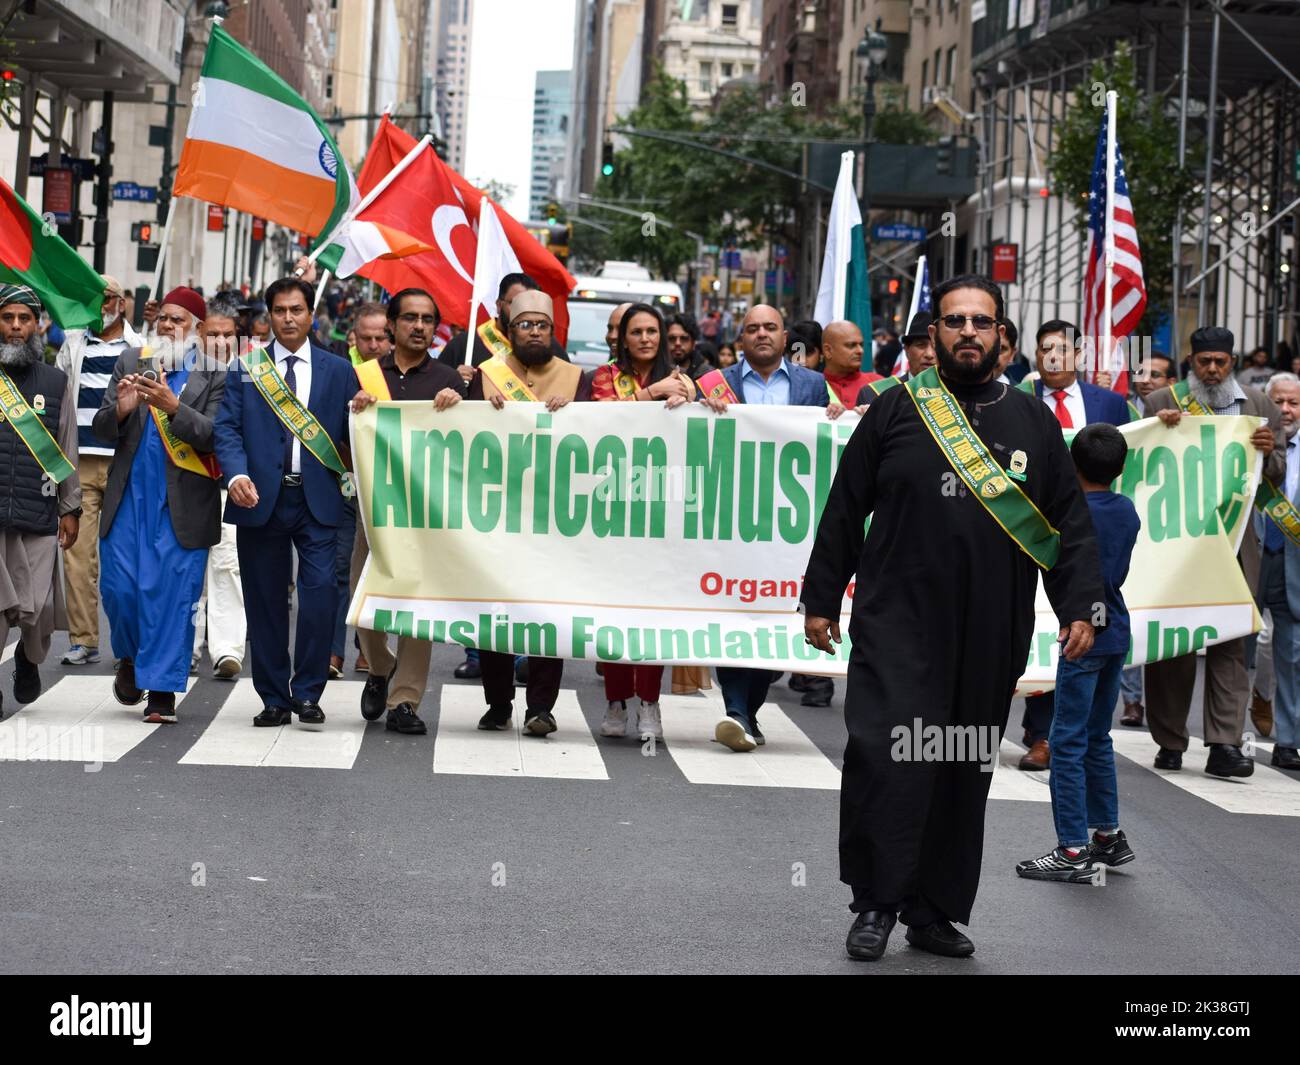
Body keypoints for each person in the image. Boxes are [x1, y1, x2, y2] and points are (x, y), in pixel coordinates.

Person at [801, 274, 1102, 961]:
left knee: (960, 765)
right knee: (887, 757)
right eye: (955, 320)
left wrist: (1081, 602)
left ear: (1002, 337)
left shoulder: (1033, 422)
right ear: (933, 334)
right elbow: (846, 505)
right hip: (897, 623)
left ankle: (933, 910)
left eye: (981, 322)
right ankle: (876, 900)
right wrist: (821, 597)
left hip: (990, 630)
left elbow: (1068, 522)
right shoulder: (896, 409)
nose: (968, 331)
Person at [213, 276, 360, 730]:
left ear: (311, 314)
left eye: (297, 310)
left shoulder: (338, 370)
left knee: (319, 597)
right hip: (261, 498)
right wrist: (236, 473)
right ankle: (274, 696)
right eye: (280, 311)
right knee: (265, 601)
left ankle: (309, 691)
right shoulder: (247, 368)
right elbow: (227, 428)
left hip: (318, 499)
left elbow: (354, 430)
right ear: (268, 316)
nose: (289, 318)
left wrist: (364, 411)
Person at [700, 304, 847, 751]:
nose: (761, 334)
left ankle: (749, 711)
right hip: (731, 521)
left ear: (786, 338)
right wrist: (696, 409)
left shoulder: (813, 385)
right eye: (751, 329)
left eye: (770, 327)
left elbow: (830, 443)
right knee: (731, 615)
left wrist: (841, 417)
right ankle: (735, 710)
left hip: (788, 528)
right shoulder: (715, 383)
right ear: (740, 338)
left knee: (773, 619)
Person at [1143, 326, 1283, 777]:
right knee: (1174, 646)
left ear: (1232, 361)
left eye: (1221, 361)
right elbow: (1142, 463)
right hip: (1179, 544)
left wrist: (1269, 453)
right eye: (1205, 361)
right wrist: (1161, 433)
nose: (1213, 369)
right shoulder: (1162, 401)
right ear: (1191, 360)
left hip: (1235, 545)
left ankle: (1224, 743)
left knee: (1230, 642)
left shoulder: (1258, 407)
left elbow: (1276, 471)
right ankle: (1169, 740)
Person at [95, 287, 225, 724]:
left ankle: (163, 691)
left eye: (179, 320)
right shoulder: (133, 362)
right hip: (130, 497)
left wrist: (173, 408)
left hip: (182, 504)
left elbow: (216, 436)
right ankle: (130, 658)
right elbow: (100, 428)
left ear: (199, 330)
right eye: (164, 318)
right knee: (119, 590)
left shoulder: (217, 372)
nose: (168, 326)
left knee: (171, 596)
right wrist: (121, 410)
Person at [1017, 424, 1140, 881]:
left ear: (1072, 463)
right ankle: (1107, 835)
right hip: (1116, 630)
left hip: (1082, 634)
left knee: (1066, 742)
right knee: (1096, 737)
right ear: (1121, 468)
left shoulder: (1069, 515)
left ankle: (1072, 849)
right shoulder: (1126, 511)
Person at [469, 290, 589, 736]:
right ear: (510, 330)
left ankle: (541, 706)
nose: (534, 332)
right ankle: (498, 703)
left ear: (551, 332)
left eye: (541, 326)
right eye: (525, 325)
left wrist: (574, 413)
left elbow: (596, 439)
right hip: (495, 512)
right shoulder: (485, 375)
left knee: (546, 611)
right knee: (494, 610)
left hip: (552, 515)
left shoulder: (576, 377)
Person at [349, 289, 466, 735]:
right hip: (375, 510)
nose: (420, 326)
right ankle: (380, 665)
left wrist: (460, 407)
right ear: (392, 325)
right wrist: (356, 409)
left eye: (428, 319)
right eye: (411, 318)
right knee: (362, 599)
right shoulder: (361, 376)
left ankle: (405, 701)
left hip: (427, 514)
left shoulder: (450, 381)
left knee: (418, 606)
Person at [1016, 319, 1130, 770]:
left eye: (1061, 350)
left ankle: (1055, 736)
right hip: (1031, 533)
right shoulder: (1018, 402)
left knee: (1076, 629)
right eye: (1044, 350)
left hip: (1092, 538)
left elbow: (1134, 452)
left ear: (1079, 356)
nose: (1052, 358)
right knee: (1043, 626)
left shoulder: (1111, 404)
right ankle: (1041, 731)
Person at [588, 303, 695, 738]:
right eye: (638, 332)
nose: (647, 339)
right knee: (615, 608)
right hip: (614, 507)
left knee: (654, 611)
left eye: (654, 331)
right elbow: (599, 418)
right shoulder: (603, 377)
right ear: (624, 338)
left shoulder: (684, 379)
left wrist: (699, 405)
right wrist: (652, 396)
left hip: (664, 510)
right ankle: (616, 700)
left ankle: (650, 703)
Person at [0, 285, 81, 718]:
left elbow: (67, 446)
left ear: (38, 325)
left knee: (39, 609)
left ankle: (28, 660)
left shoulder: (55, 382)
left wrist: (71, 507)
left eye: (24, 319)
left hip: (38, 510)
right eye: (7, 318)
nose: (15, 327)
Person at [55, 275, 143, 667]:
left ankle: (132, 640)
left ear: (121, 303)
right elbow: (59, 397)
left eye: (107, 297)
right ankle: (83, 639)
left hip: (125, 462)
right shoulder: (72, 343)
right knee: (76, 553)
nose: (101, 304)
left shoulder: (141, 347)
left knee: (126, 558)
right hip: (80, 463)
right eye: (93, 297)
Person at [190, 299, 246, 681]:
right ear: (198, 335)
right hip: (189, 483)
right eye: (214, 334)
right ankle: (187, 645)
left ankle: (227, 650)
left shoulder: (252, 373)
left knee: (228, 566)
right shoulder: (181, 371)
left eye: (228, 335)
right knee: (191, 568)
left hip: (229, 484)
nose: (221, 341)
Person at [1253, 373, 1300, 769]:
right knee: (1236, 651)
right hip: (1251, 557)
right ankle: (1230, 738)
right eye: (1279, 402)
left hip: (1292, 563)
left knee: (1291, 654)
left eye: (1294, 403)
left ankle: (1289, 739)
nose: (1285, 410)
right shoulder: (1248, 440)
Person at [854, 312, 936, 410]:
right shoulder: (873, 394)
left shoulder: (957, 394)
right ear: (906, 350)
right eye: (921, 345)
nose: (929, 354)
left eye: (936, 346)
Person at [821, 320, 881, 407]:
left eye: (861, 345)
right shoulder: (811, 386)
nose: (860, 351)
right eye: (851, 345)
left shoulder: (878, 383)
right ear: (828, 350)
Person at [995, 319, 1021, 384]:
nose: (993, 355)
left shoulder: (1020, 393)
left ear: (1012, 354)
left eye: (1001, 349)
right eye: (988, 347)